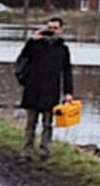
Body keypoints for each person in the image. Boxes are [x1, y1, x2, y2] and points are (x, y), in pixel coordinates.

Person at [15, 18, 76, 155]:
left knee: (48, 124)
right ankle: (27, 151)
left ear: (61, 30)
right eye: (49, 27)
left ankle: (45, 150)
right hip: (32, 89)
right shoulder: (34, 46)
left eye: (54, 28)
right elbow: (23, 58)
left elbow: (67, 71)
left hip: (51, 91)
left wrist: (68, 92)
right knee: (30, 124)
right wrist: (32, 40)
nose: (51, 31)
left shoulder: (63, 50)